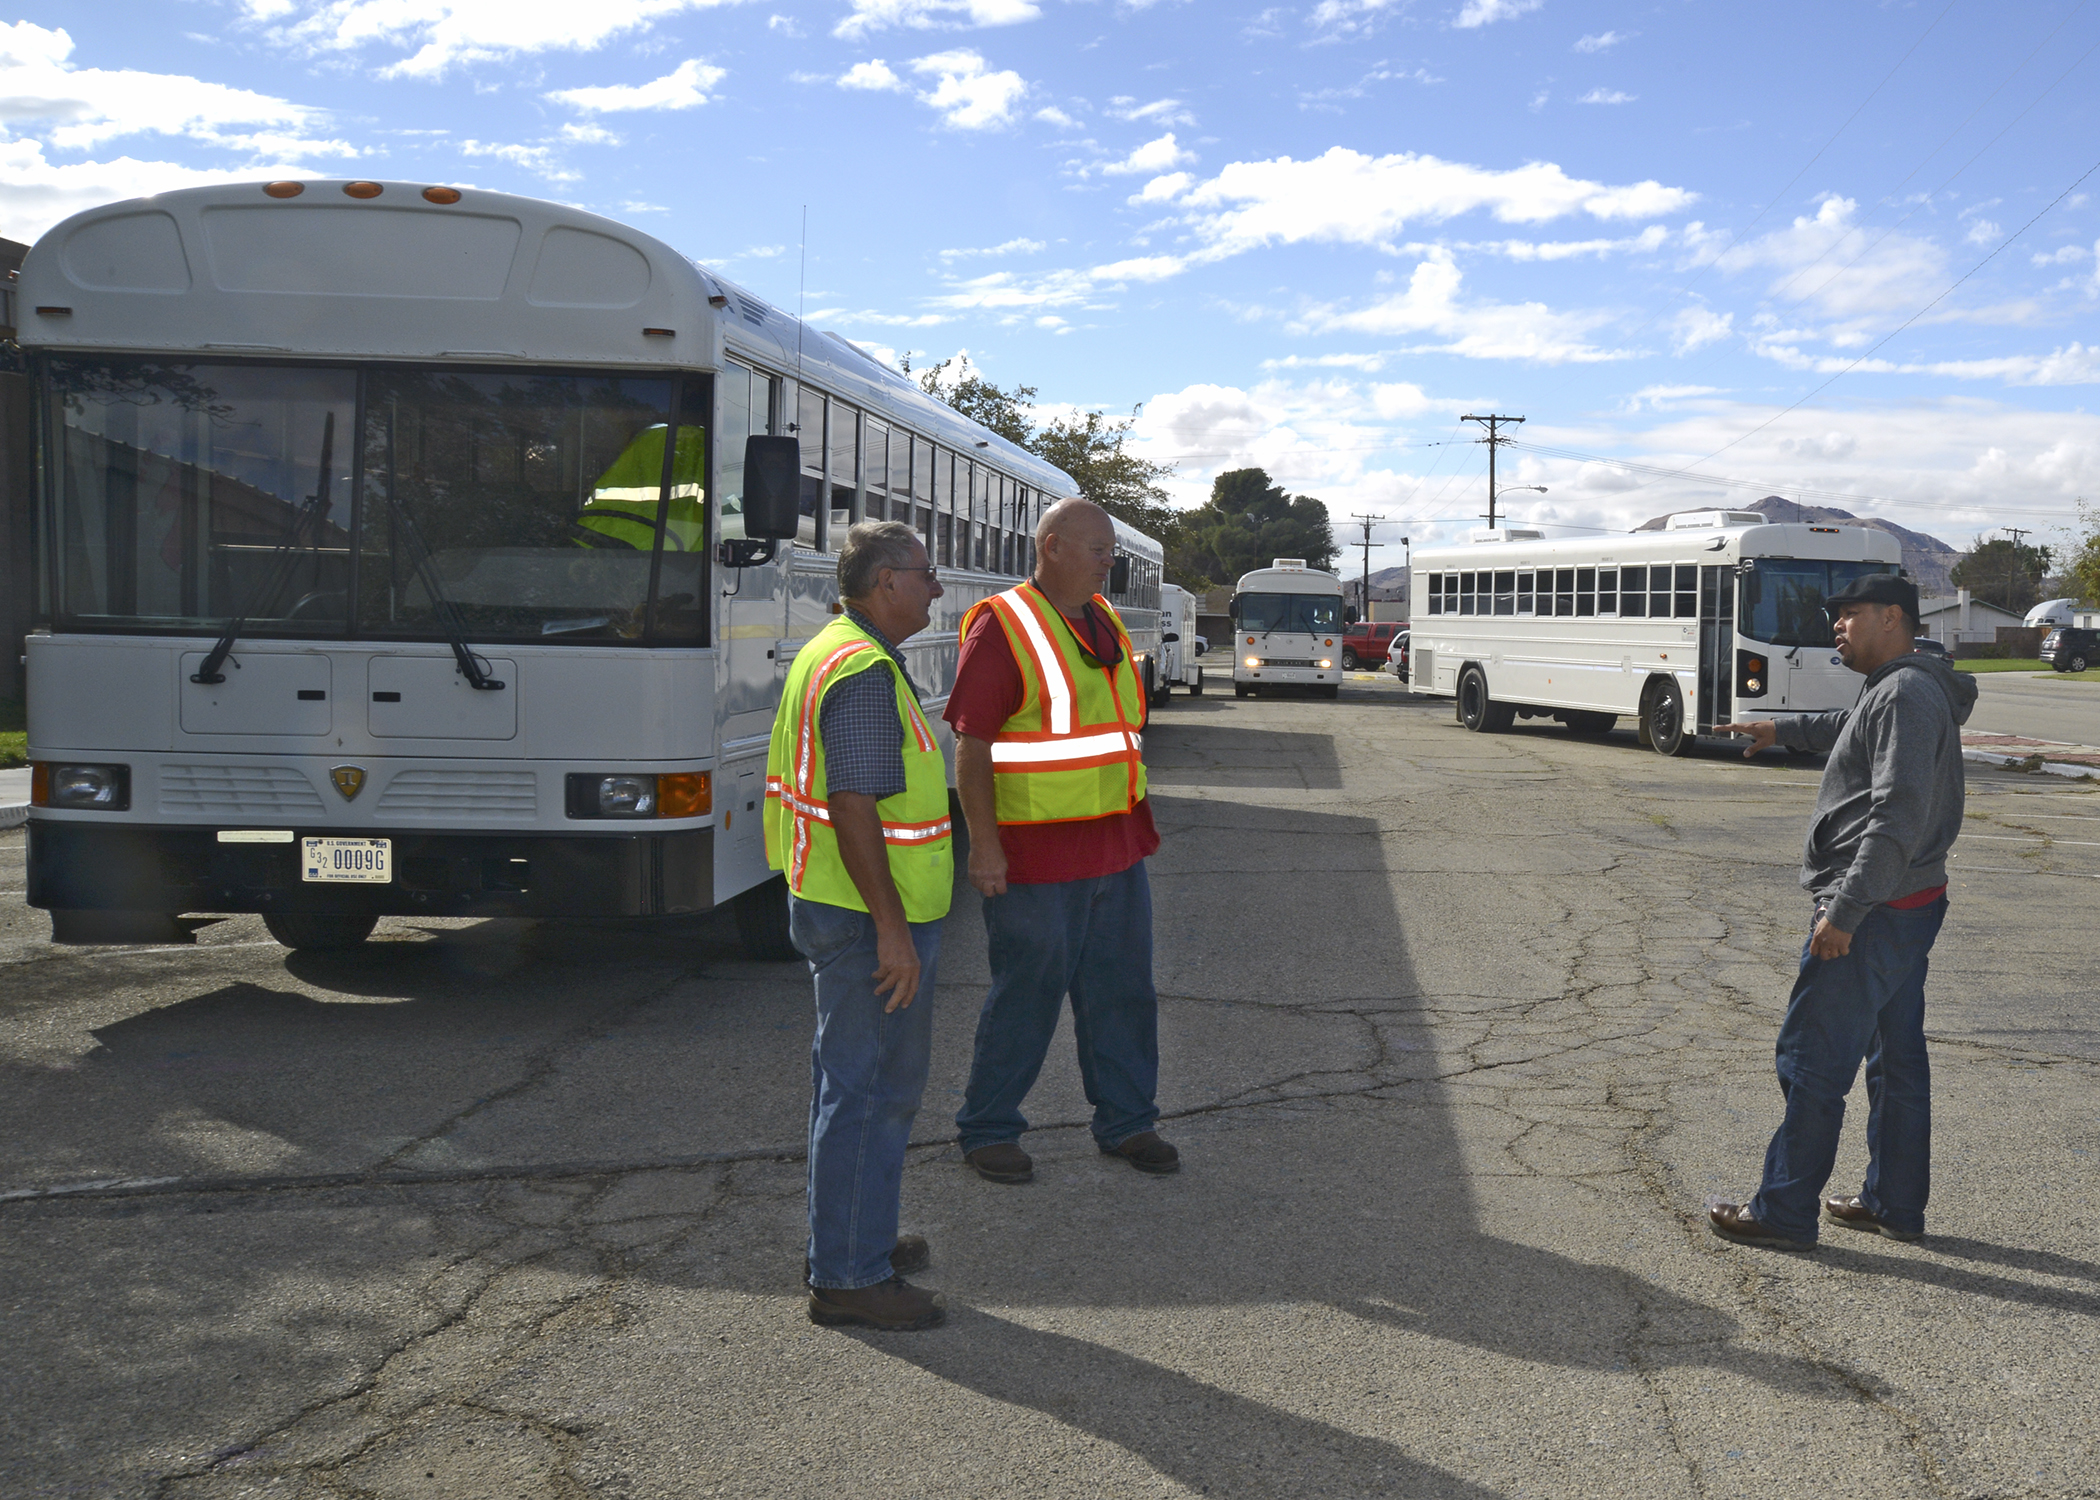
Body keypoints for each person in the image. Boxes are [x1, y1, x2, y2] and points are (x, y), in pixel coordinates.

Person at [1708, 572, 1976, 1251]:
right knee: (1896, 1060)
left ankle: (1783, 1209)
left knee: (1813, 1061)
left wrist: (1846, 913)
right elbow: (1852, 727)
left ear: (1892, 618)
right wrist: (1781, 728)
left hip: (1875, 910)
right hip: (1907, 903)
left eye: (1849, 613)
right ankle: (1894, 1203)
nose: (1836, 624)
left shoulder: (1905, 693)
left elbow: (1897, 815)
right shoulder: (1904, 687)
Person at [945, 497, 1177, 1185]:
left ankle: (1128, 1122)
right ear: (1052, 547)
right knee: (1028, 992)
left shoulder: (1102, 617)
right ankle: (988, 1128)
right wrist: (984, 847)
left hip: (1115, 845)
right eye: (1099, 550)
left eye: (1112, 551)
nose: (1111, 563)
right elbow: (972, 746)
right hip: (1036, 854)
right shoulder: (1004, 624)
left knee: (1123, 993)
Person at [764, 520, 953, 1329]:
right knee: (871, 1092)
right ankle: (849, 1274)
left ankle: (850, 1239)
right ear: (886, 583)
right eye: (926, 574)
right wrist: (893, 931)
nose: (936, 588)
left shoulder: (833, 647)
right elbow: (853, 805)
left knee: (850, 1085)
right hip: (867, 916)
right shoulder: (865, 671)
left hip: (831, 899)